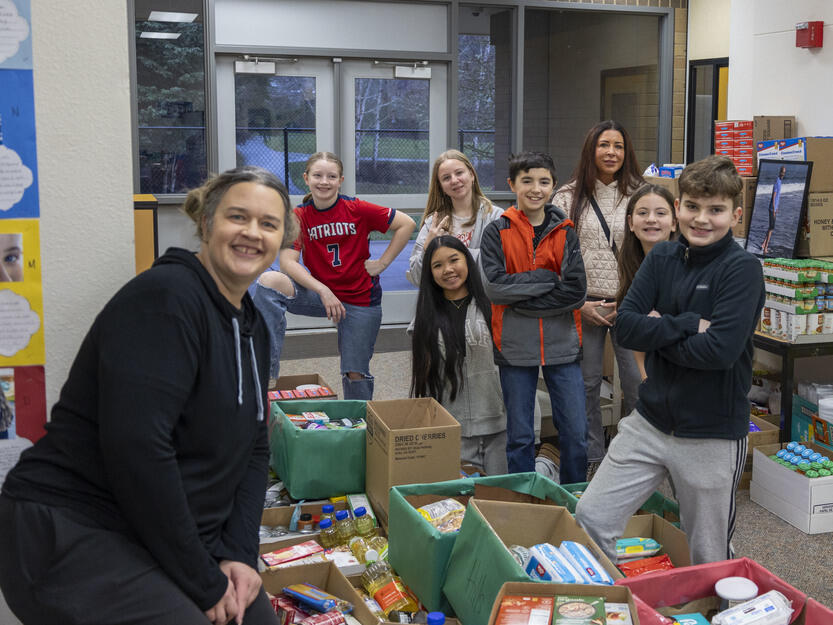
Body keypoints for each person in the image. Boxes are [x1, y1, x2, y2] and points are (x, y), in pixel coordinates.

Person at [0, 166, 297, 625]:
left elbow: (255, 447)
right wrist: (202, 578)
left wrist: (238, 553)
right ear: (206, 223)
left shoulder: (251, 323)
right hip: (71, 527)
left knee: (253, 616)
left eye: (268, 224)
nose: (252, 234)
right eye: (238, 217)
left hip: (154, 531)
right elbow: (138, 449)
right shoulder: (165, 299)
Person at [575, 155, 765, 566]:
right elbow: (624, 329)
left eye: (715, 210)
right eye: (693, 206)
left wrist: (658, 333)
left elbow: (719, 352)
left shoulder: (743, 270)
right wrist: (689, 324)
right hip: (650, 420)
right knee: (591, 516)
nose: (702, 219)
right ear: (678, 209)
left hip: (712, 433)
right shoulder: (661, 259)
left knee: (708, 552)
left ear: (735, 214)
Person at [253, 151, 415, 399]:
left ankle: (358, 426)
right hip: (322, 297)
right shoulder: (298, 216)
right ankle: (267, 372)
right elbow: (287, 262)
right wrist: (322, 290)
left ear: (340, 180)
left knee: (355, 373)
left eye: (331, 176)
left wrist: (382, 263)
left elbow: (406, 223)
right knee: (269, 281)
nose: (324, 182)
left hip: (359, 299)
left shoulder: (357, 208)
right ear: (306, 178)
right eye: (317, 175)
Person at [480, 151, 588, 483]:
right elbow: (496, 288)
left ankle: (573, 497)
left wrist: (522, 300)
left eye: (543, 181)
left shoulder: (566, 232)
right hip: (514, 346)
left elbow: (576, 292)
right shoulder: (495, 232)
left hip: (563, 344)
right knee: (520, 435)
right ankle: (524, 499)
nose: (535, 188)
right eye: (527, 181)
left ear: (553, 186)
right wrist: (547, 278)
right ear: (512, 185)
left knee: (576, 433)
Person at [552, 120, 645, 479]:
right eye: (604, 145)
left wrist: (636, 299)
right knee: (587, 384)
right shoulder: (566, 196)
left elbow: (651, 250)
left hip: (630, 303)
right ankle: (593, 451)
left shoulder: (640, 194)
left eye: (618, 146)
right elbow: (554, 259)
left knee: (637, 383)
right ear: (591, 150)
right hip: (584, 304)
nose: (611, 152)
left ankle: (631, 452)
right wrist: (578, 305)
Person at [411, 236, 508, 475]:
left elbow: (518, 369)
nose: (448, 270)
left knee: (503, 498)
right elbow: (424, 381)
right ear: (430, 273)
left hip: (501, 426)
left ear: (468, 260)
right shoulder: (425, 319)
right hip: (455, 430)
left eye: (454, 260)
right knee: (461, 502)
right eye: (438, 265)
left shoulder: (494, 306)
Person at [407, 150, 504, 286]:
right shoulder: (433, 223)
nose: (454, 180)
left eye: (459, 173)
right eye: (446, 178)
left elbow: (501, 266)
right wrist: (426, 249)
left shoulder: (496, 217)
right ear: (441, 187)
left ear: (471, 175)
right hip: (444, 305)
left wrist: (451, 257)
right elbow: (417, 278)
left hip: (484, 304)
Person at [615, 184, 677, 381]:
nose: (651, 219)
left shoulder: (687, 266)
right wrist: (646, 380)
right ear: (631, 223)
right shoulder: (630, 266)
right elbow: (637, 338)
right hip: (654, 375)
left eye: (661, 213)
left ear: (675, 222)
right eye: (643, 212)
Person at [761, 165, 786, 255]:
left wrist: (777, 207)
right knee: (771, 228)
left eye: (784, 172)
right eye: (782, 172)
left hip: (774, 208)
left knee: (770, 227)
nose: (783, 174)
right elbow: (774, 196)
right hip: (772, 209)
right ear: (780, 172)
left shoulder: (780, 181)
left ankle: (763, 244)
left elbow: (777, 197)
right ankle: (765, 248)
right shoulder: (777, 182)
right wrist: (774, 209)